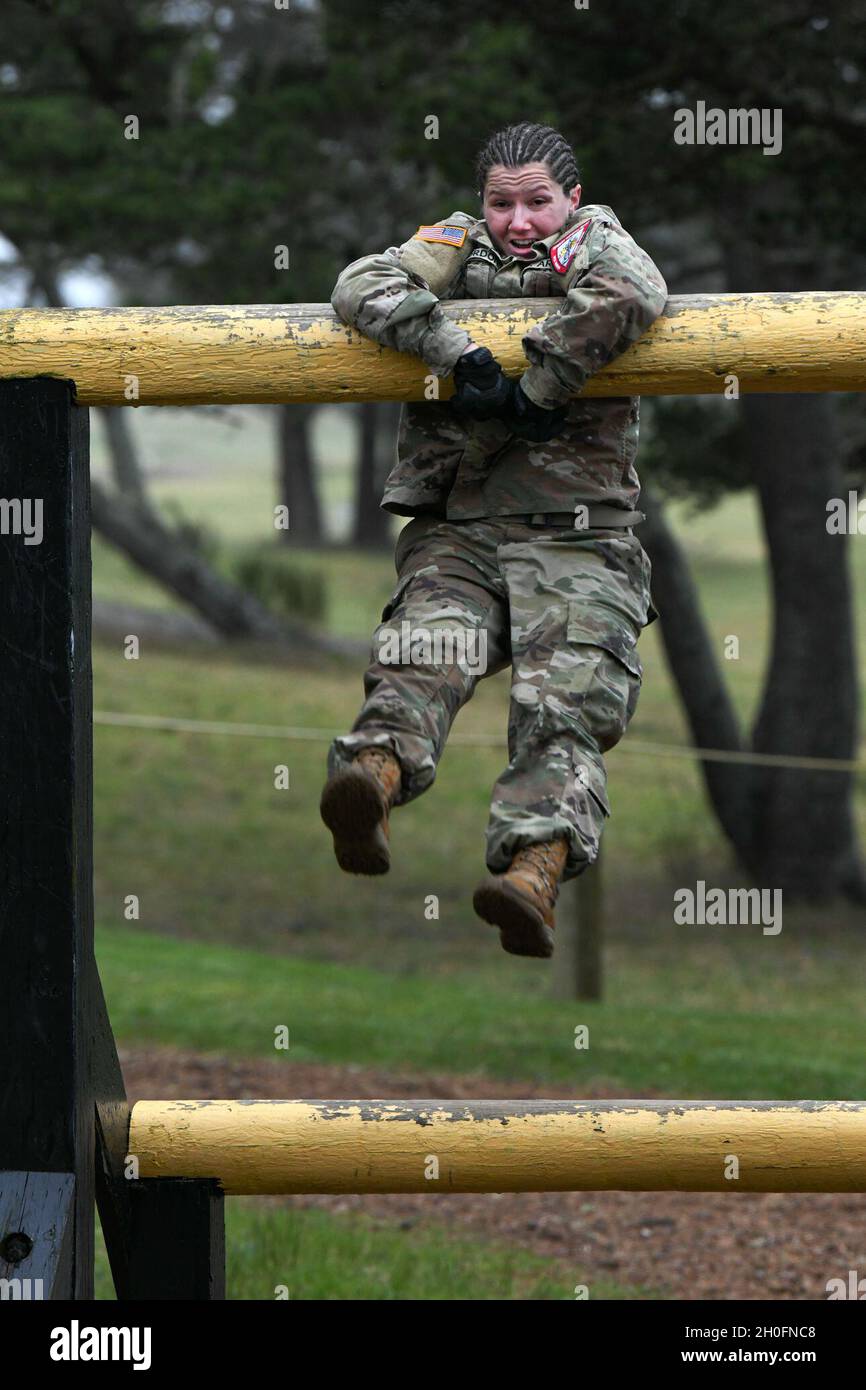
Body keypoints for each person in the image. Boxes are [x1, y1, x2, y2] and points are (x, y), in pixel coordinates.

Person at [319, 121, 667, 960]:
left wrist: (542, 382)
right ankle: (371, 780)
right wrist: (453, 348)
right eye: (501, 202)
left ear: (570, 201)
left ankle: (530, 874)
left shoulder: (596, 242)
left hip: (580, 534)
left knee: (562, 707)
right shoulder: (452, 244)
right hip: (464, 523)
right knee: (421, 653)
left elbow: (631, 292)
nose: (518, 221)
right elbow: (360, 284)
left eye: (537, 203)